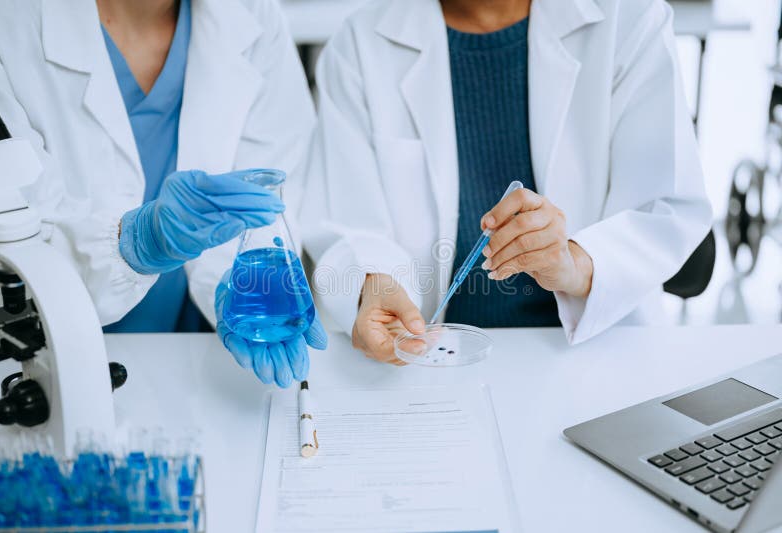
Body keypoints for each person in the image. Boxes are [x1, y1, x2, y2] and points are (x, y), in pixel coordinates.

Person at [302, 0, 712, 364]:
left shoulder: (629, 18)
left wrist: (574, 263)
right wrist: (374, 282)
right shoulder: (360, 44)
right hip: (433, 364)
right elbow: (348, 224)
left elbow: (663, 208)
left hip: (596, 358)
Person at [0, 0, 325, 386]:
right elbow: (8, 231)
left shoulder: (252, 16)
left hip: (196, 364)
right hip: (36, 366)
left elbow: (270, 193)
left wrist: (234, 282)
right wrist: (137, 242)